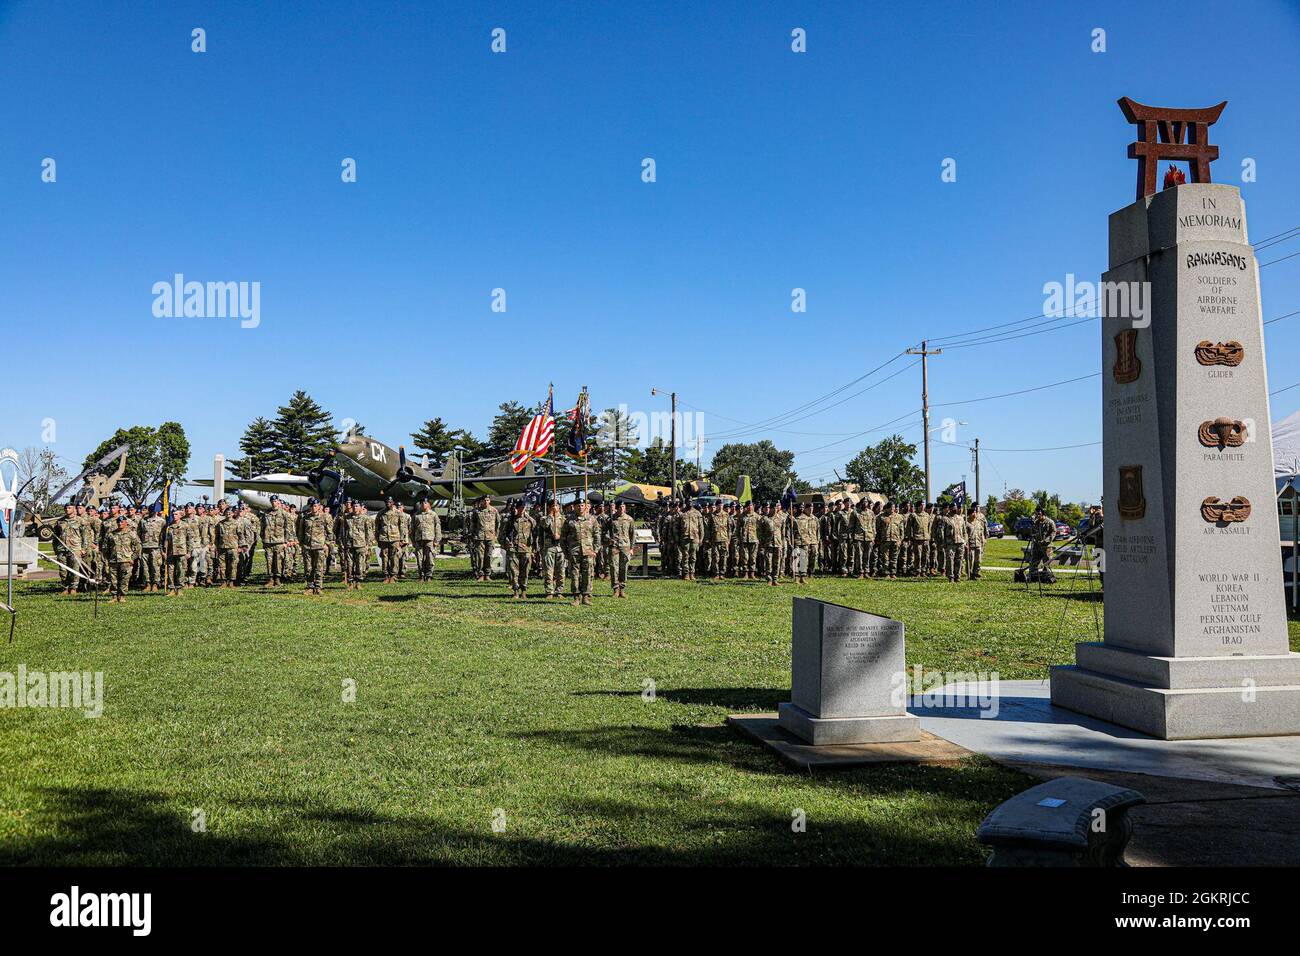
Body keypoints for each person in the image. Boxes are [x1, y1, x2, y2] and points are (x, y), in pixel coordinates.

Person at [561, 499, 600, 605]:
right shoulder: (569, 520)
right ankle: (576, 597)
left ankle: (586, 597)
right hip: (574, 552)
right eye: (578, 505)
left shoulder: (592, 519)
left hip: (588, 552)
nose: (580, 507)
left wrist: (595, 550)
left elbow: (597, 535)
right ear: (574, 507)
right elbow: (563, 538)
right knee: (575, 575)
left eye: (582, 505)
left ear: (586, 506)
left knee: (588, 574)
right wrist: (566, 552)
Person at [502, 499, 538, 598]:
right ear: (517, 508)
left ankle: (524, 591)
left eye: (524, 508)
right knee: (514, 572)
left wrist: (534, 550)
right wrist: (506, 544)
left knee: (525, 571)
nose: (522, 510)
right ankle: (516, 591)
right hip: (513, 549)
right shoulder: (510, 520)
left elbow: (535, 536)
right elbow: (502, 534)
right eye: (520, 508)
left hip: (526, 549)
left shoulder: (531, 520)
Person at [103, 514, 140, 602]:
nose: (120, 523)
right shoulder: (110, 534)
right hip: (113, 560)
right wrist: (106, 560)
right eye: (118, 522)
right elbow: (105, 548)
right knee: (113, 579)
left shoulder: (131, 533)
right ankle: (114, 596)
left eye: (122, 522)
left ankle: (122, 596)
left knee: (124, 579)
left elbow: (137, 547)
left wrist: (132, 558)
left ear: (126, 523)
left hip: (126, 560)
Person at [298, 500, 330, 593]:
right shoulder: (305, 518)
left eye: (316, 506)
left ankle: (318, 586)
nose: (314, 508)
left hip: (320, 546)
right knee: (308, 568)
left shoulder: (324, 518)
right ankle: (310, 587)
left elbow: (330, 532)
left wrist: (327, 544)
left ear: (319, 506)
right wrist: (301, 544)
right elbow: (301, 532)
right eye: (312, 506)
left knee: (319, 568)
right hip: (307, 546)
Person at [607, 501, 636, 598]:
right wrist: (608, 540)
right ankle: (615, 589)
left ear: (625, 507)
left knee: (624, 568)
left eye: (623, 506)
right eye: (619, 507)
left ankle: (622, 589)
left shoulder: (629, 519)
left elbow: (632, 534)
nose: (621, 508)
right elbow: (603, 531)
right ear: (616, 507)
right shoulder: (611, 518)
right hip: (614, 547)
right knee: (614, 568)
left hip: (625, 546)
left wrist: (631, 547)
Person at [54, 503, 84, 595]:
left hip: (75, 548)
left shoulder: (80, 521)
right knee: (63, 570)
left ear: (74, 509)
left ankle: (73, 588)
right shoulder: (60, 521)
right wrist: (56, 548)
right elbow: (55, 536)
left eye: (69, 508)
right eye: (66, 508)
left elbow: (85, 536)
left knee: (74, 569)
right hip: (62, 549)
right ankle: (65, 587)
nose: (67, 509)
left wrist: (84, 548)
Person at [468, 496, 499, 582]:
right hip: (479, 537)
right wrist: (473, 535)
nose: (486, 502)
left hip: (490, 537)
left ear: (490, 501)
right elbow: (473, 524)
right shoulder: (477, 511)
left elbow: (498, 523)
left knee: (489, 556)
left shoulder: (494, 510)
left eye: (487, 500)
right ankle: (481, 574)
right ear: (481, 501)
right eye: (484, 500)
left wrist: (496, 535)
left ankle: (488, 574)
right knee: (480, 556)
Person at [540, 499, 566, 599]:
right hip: (549, 547)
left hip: (560, 547)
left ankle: (559, 591)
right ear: (549, 507)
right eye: (552, 506)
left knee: (561, 571)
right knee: (548, 571)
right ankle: (549, 591)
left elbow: (567, 531)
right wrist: (550, 515)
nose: (555, 507)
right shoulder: (544, 518)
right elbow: (545, 525)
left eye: (556, 505)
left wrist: (560, 536)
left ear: (559, 507)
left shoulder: (563, 519)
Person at [412, 499, 442, 581]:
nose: (423, 504)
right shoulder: (416, 515)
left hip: (430, 539)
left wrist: (436, 540)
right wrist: (413, 541)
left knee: (430, 558)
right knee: (419, 558)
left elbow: (437, 528)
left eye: (425, 503)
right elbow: (413, 529)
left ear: (429, 504)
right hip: (419, 539)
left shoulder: (433, 514)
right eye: (422, 503)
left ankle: (429, 575)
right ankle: (421, 575)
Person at [376, 497, 405, 583]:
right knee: (384, 558)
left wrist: (402, 539)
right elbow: (377, 527)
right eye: (386, 502)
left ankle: (393, 575)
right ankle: (386, 575)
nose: (388, 503)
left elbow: (402, 527)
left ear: (393, 502)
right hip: (384, 538)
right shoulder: (381, 513)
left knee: (394, 557)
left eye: (389, 502)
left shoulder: (398, 513)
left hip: (395, 538)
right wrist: (378, 539)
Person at [1026, 508, 1057, 583]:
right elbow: (1032, 532)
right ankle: (1033, 577)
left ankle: (1046, 578)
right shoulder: (1036, 522)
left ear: (1043, 514)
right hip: (1037, 545)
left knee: (1046, 563)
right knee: (1033, 561)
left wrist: (1045, 540)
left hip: (1047, 546)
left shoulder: (1050, 522)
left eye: (1038, 514)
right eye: (1036, 514)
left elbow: (1053, 533)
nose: (1037, 515)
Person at [164, 511, 189, 595]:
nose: (174, 516)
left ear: (180, 516)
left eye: (176, 514)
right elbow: (165, 540)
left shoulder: (185, 525)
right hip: (171, 551)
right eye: (173, 514)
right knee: (170, 570)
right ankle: (171, 588)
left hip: (181, 551)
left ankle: (179, 588)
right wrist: (164, 551)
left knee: (180, 570)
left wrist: (189, 552)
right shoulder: (169, 526)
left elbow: (189, 539)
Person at [965, 506, 987, 580]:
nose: (975, 514)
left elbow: (981, 532)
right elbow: (964, 534)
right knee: (970, 560)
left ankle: (976, 572)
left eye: (975, 512)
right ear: (970, 514)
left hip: (978, 544)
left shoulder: (978, 522)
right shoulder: (966, 523)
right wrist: (966, 543)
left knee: (978, 560)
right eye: (973, 513)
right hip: (970, 544)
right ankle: (970, 574)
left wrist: (983, 540)